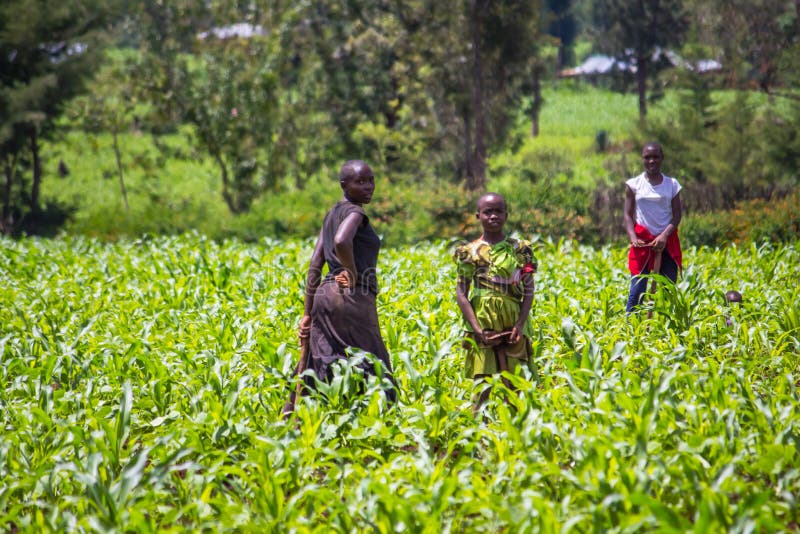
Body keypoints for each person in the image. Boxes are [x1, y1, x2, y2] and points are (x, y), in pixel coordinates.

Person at [286, 160, 397, 411]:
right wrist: (352, 272)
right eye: (361, 182)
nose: (369, 186)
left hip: (324, 297)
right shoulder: (356, 213)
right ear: (344, 185)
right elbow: (341, 241)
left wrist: (307, 313)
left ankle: (299, 417)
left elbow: (315, 264)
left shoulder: (332, 214)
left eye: (371, 180)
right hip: (350, 298)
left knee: (320, 361)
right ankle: (384, 423)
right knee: (373, 362)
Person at [453, 193, 536, 411]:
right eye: (487, 212)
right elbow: (462, 293)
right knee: (482, 385)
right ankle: (478, 437)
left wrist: (520, 324)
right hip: (482, 319)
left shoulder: (520, 248)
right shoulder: (468, 251)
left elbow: (529, 289)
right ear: (478, 216)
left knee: (515, 384)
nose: (493, 216)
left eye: (498, 211)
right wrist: (476, 328)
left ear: (506, 215)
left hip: (513, 319)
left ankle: (517, 433)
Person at [623, 142, 683, 313]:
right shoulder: (634, 184)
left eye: (655, 157)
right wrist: (633, 238)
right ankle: (632, 332)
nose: (652, 161)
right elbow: (627, 215)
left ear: (662, 158)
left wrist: (664, 236)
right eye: (647, 157)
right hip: (643, 242)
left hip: (667, 242)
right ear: (642, 159)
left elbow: (677, 215)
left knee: (667, 290)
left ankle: (664, 329)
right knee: (637, 291)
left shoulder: (672, 184)